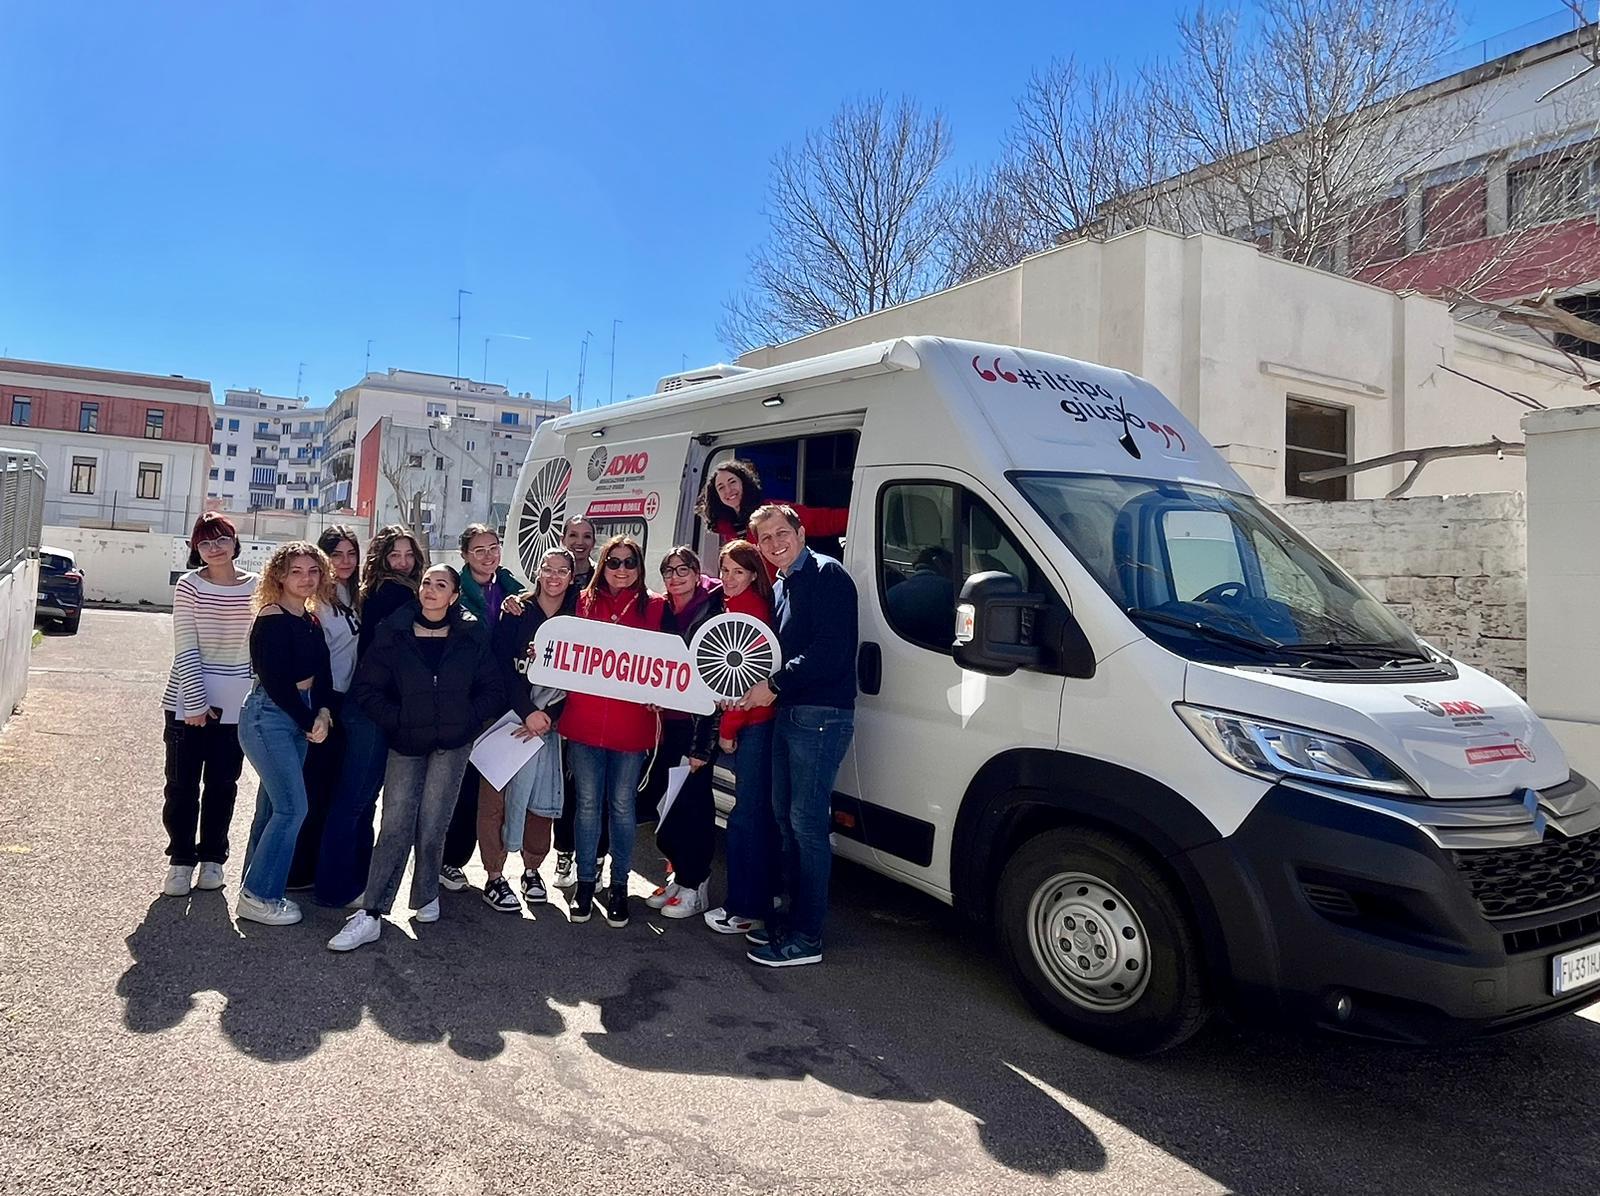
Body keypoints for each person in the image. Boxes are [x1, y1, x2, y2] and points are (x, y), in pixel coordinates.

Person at [329, 564, 502, 951]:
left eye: (441, 584)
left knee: (434, 822)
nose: (431, 589)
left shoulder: (471, 635)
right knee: (395, 825)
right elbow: (367, 689)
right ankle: (372, 911)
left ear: (454, 596)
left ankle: (425, 895)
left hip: (452, 745)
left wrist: (466, 724)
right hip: (406, 743)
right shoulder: (393, 633)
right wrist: (398, 720)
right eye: (426, 582)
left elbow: (492, 689)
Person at [734, 504, 858, 968]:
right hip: (793, 714)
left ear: (801, 530)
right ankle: (791, 919)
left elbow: (830, 651)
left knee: (807, 825)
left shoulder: (827, 574)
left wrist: (775, 685)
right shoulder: (784, 581)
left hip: (821, 716)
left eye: (780, 533)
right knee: (787, 820)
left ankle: (807, 937)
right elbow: (777, 652)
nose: (773, 544)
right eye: (764, 539)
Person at [314, 525, 424, 908]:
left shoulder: (366, 593)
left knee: (362, 801)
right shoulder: (393, 594)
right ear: (381, 558)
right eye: (395, 555)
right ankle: (334, 889)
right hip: (371, 710)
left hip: (367, 708)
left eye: (409, 555)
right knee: (354, 801)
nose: (404, 562)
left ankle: (353, 883)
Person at [558, 534, 664, 928]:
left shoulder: (655, 606)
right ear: (602, 565)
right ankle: (586, 884)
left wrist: (661, 697)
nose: (622, 570)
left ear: (639, 566)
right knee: (586, 806)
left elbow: (668, 662)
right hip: (585, 723)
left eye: (629, 562)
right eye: (614, 562)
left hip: (631, 726)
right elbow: (562, 646)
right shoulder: (582, 601)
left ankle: (619, 886)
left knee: (622, 808)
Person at [236, 542, 336, 928]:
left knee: (271, 808)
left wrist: (323, 713)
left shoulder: (310, 620)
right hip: (268, 718)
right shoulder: (271, 618)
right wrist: (309, 719)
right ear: (279, 575)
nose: (305, 578)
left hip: (300, 716)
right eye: (296, 571)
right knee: (293, 808)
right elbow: (276, 682)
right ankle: (260, 896)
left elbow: (324, 675)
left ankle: (252, 888)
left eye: (313, 571)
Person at [158, 512, 257, 898]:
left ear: (235, 542)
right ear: (196, 549)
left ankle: (213, 858)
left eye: (221, 540)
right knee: (181, 786)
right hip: (186, 702)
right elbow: (185, 647)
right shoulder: (189, 586)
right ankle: (180, 860)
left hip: (236, 703)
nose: (214, 548)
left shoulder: (255, 586)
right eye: (205, 542)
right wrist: (196, 703)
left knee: (222, 784)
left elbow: (257, 645)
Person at [481, 547, 576, 912]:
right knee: (495, 802)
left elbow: (580, 676)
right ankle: (493, 874)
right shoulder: (517, 611)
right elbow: (502, 667)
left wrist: (548, 714)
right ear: (537, 572)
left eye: (562, 571)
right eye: (547, 569)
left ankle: (533, 870)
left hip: (550, 723)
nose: (554, 577)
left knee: (541, 801)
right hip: (509, 717)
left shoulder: (576, 616)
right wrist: (527, 711)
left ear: (571, 575)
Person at [440, 524, 527, 894]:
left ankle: (480, 863)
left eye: (494, 547)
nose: (488, 555)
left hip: (502, 700)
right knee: (458, 783)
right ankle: (448, 860)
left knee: (490, 786)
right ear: (464, 555)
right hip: (465, 700)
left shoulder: (512, 587)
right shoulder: (454, 591)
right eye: (479, 550)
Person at [701, 539, 780, 936]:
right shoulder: (738, 606)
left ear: (753, 574)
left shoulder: (750, 611)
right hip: (755, 724)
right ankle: (759, 899)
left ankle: (745, 908)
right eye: (725, 570)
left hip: (753, 725)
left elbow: (743, 682)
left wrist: (728, 733)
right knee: (753, 816)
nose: (729, 579)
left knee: (746, 819)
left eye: (738, 572)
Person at [645, 546, 724, 919]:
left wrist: (703, 745)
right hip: (669, 724)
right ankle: (680, 875)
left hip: (697, 728)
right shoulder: (663, 610)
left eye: (683, 569)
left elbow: (716, 680)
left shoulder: (714, 609)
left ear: (696, 572)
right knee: (670, 804)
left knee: (694, 806)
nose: (675, 577)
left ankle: (697, 883)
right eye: (668, 571)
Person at [288, 525, 361, 893]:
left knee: (330, 788)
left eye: (351, 553)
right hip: (320, 702)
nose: (344, 561)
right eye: (336, 555)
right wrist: (321, 706)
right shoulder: (313, 598)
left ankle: (315, 866)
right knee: (309, 788)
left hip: (345, 702)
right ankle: (295, 872)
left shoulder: (353, 593)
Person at [695, 459, 848, 571]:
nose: (728, 490)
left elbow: (824, 520)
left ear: (744, 483)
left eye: (732, 482)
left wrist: (863, 519)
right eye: (721, 487)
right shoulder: (727, 528)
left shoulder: (774, 511)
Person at [562, 516, 598, 591]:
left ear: (594, 542)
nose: (580, 542)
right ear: (563, 540)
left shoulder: (601, 575)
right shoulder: (553, 575)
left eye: (587, 536)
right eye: (573, 535)